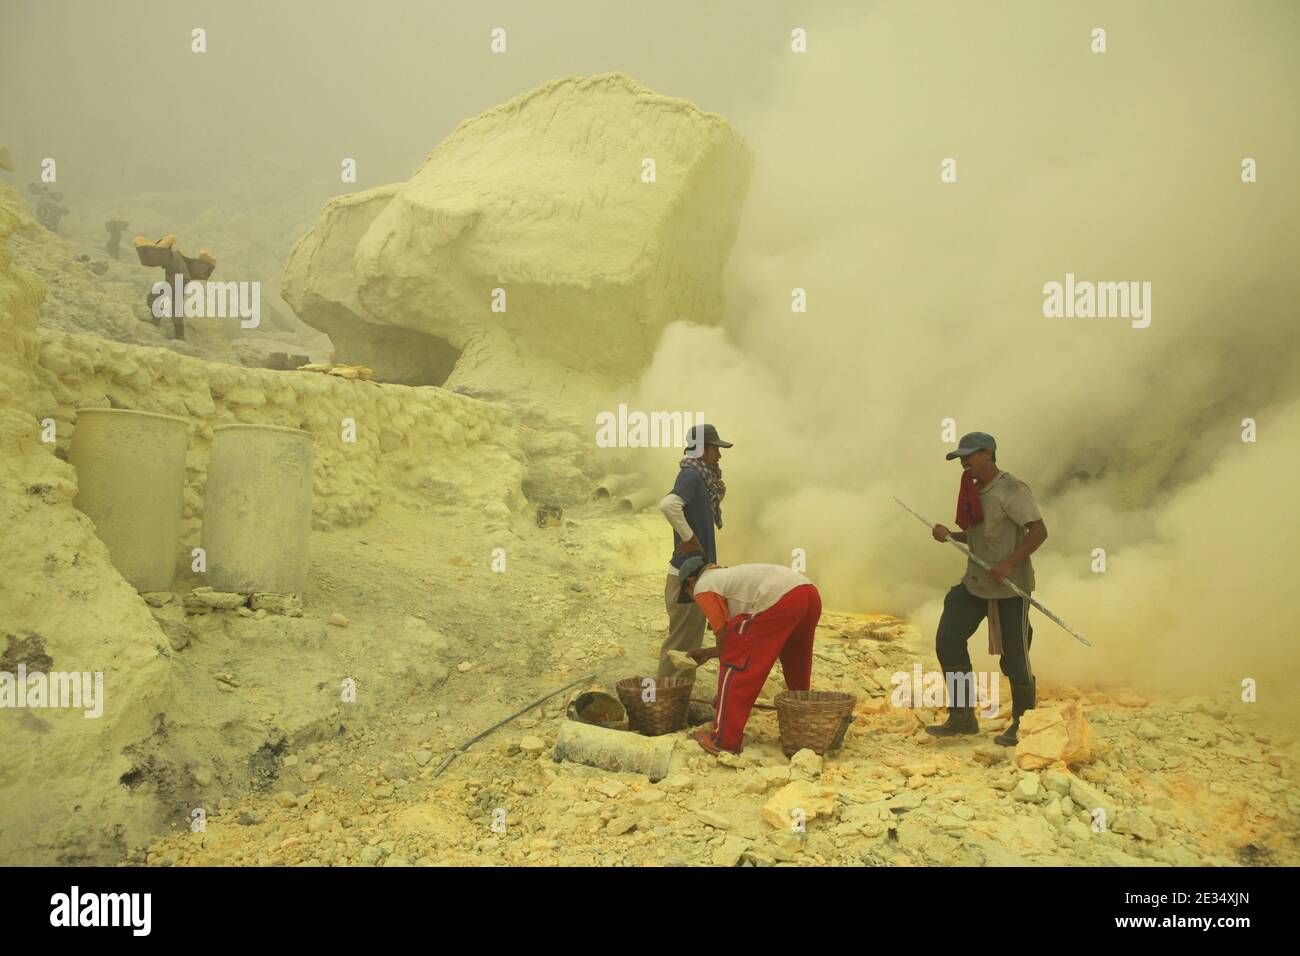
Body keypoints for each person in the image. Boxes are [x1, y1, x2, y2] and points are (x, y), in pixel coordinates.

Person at [926, 432, 1047, 745]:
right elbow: (980, 537)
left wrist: (1008, 564)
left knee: (1015, 657)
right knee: (949, 639)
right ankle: (963, 717)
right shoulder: (974, 491)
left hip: (1010, 587)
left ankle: (1023, 723)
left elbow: (1038, 531)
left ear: (988, 453)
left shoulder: (1012, 489)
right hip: (977, 582)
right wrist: (951, 535)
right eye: (961, 458)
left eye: (969, 456)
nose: (964, 463)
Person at [678, 555, 822, 755]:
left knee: (738, 662)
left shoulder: (702, 586)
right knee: (797, 660)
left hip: (779, 597)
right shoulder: (726, 577)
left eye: (687, 593)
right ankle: (805, 730)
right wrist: (709, 654)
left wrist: (724, 694)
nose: (694, 600)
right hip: (807, 592)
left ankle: (723, 740)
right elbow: (729, 643)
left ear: (690, 581)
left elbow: (726, 640)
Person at [655, 423, 731, 679]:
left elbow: (693, 511)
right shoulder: (691, 475)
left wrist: (715, 501)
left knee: (688, 643)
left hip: (695, 575)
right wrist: (689, 538)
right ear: (701, 449)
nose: (718, 456)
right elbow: (668, 505)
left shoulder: (700, 477)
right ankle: (664, 704)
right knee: (681, 645)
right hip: (687, 577)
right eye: (714, 449)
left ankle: (675, 706)